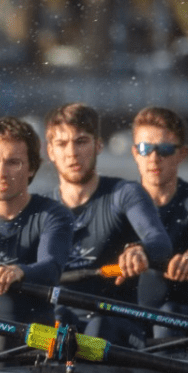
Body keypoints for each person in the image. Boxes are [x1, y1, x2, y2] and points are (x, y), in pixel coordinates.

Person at [44, 102, 172, 346]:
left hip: (117, 326)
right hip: (64, 325)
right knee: (53, 319)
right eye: (62, 144)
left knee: (99, 328)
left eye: (81, 141)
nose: (71, 153)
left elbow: (160, 242)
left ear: (98, 145)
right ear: (50, 151)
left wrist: (139, 250)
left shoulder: (125, 194)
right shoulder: (42, 210)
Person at [0, 117, 75, 342]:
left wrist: (20, 271)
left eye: (13, 162)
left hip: (28, 340)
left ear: (32, 168)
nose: (1, 172)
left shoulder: (53, 215)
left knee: (3, 336)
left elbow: (51, 268)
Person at [130, 106, 188, 337]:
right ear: (135, 153)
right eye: (145, 148)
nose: (154, 158)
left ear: (182, 153)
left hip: (182, 318)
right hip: (127, 317)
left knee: (166, 323)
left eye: (165, 149)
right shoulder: (117, 202)